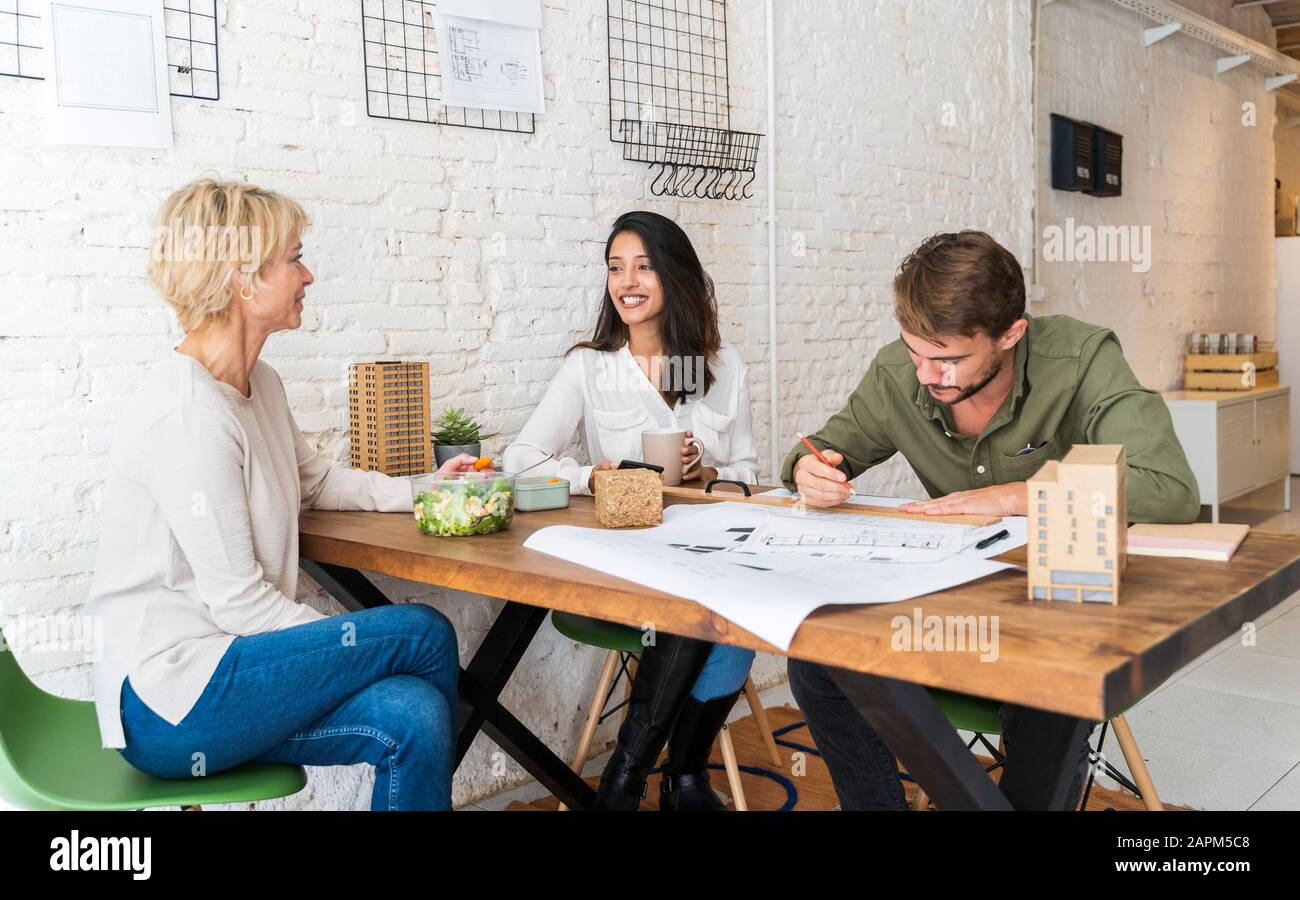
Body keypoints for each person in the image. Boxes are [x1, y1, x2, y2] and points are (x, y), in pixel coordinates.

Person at [85, 179, 482, 810]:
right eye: (294, 258)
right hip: (172, 700)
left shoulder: (259, 383)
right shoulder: (189, 415)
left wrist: (425, 491)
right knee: (421, 632)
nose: (310, 275)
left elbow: (315, 481)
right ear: (242, 278)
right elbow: (242, 605)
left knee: (415, 714)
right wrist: (348, 651)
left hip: (240, 670)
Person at [781, 230, 1199, 810]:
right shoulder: (899, 375)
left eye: (949, 359)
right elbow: (821, 449)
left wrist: (1012, 496)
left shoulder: (1080, 361)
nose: (928, 375)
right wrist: (811, 470)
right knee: (818, 657)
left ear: (1010, 334)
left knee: (1049, 685)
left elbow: (1172, 491)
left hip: (1060, 606)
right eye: (914, 352)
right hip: (950, 601)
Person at [504, 211, 760, 809]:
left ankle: (665, 775)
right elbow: (520, 459)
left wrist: (712, 474)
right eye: (616, 268)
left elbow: (751, 474)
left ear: (677, 277)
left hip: (709, 547)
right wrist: (592, 476)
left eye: (644, 266)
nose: (627, 281)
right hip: (630, 554)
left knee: (737, 602)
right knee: (700, 599)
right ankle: (648, 776)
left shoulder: (724, 369)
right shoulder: (591, 367)